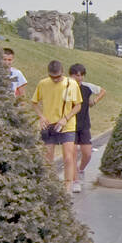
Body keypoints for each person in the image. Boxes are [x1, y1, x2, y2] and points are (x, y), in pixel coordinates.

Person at [32, 60, 82, 193]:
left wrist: (65, 119)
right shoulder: (43, 84)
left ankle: (68, 187)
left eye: (58, 77)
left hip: (67, 124)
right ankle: (50, 184)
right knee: (47, 156)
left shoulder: (70, 84)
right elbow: (34, 102)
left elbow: (77, 106)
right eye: (52, 77)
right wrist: (41, 116)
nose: (55, 80)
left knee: (68, 156)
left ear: (63, 73)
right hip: (49, 124)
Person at [68, 63, 105, 193]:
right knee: (71, 153)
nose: (80, 78)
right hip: (70, 126)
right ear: (71, 75)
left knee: (87, 153)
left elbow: (102, 91)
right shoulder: (65, 88)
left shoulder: (87, 87)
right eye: (77, 75)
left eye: (82, 75)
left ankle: (80, 170)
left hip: (83, 125)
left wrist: (94, 101)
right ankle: (75, 181)